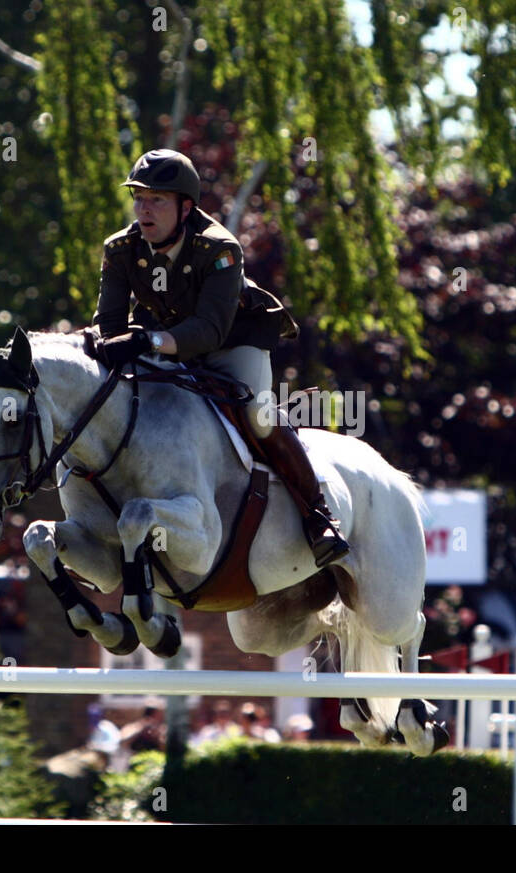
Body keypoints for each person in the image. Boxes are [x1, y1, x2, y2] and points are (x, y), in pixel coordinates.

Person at [93, 148, 349, 568]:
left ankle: (318, 515)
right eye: (138, 198)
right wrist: (113, 346)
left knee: (256, 414)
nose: (144, 210)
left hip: (232, 343)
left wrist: (146, 342)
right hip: (164, 344)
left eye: (157, 199)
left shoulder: (220, 248)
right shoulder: (120, 249)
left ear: (186, 206)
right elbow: (108, 322)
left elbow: (207, 331)